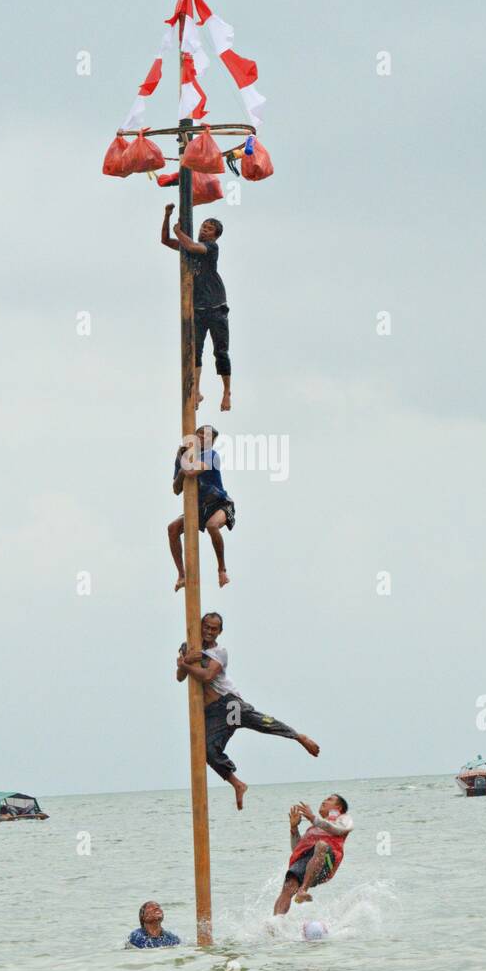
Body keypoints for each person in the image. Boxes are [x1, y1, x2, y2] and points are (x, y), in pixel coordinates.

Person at [176, 612, 320, 810]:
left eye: (214, 629)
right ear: (200, 626)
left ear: (220, 631)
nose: (209, 631)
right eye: (206, 627)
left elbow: (208, 676)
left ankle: (297, 736)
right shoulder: (188, 647)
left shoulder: (220, 652)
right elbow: (180, 677)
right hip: (212, 713)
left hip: (228, 703)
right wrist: (183, 664)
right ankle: (237, 783)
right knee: (207, 751)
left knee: (258, 721)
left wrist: (185, 664)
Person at [161, 205, 231, 412]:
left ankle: (226, 391)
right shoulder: (190, 244)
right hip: (198, 308)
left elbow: (191, 247)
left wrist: (178, 231)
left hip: (216, 305)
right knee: (195, 351)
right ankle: (197, 391)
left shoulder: (210, 248)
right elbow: (165, 241)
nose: (204, 230)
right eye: (203, 226)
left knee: (220, 351)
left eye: (209, 229)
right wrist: (167, 217)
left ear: (215, 236)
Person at [168, 424, 235, 591]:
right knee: (173, 528)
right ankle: (181, 575)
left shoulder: (211, 455)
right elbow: (177, 489)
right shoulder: (183, 458)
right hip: (199, 508)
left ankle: (222, 570)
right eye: (199, 434)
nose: (202, 438)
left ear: (212, 441)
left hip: (220, 503)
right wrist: (182, 463)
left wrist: (184, 465)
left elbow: (190, 473)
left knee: (212, 525)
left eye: (207, 436)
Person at [273, 794, 352, 915]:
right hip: (307, 860)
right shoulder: (313, 828)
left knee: (321, 845)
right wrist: (293, 828)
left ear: (339, 807)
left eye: (329, 799)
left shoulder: (344, 819)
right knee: (287, 888)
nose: (324, 801)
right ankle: (274, 923)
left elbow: (338, 830)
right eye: (325, 798)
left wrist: (313, 818)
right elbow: (296, 849)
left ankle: (303, 890)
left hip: (327, 862)